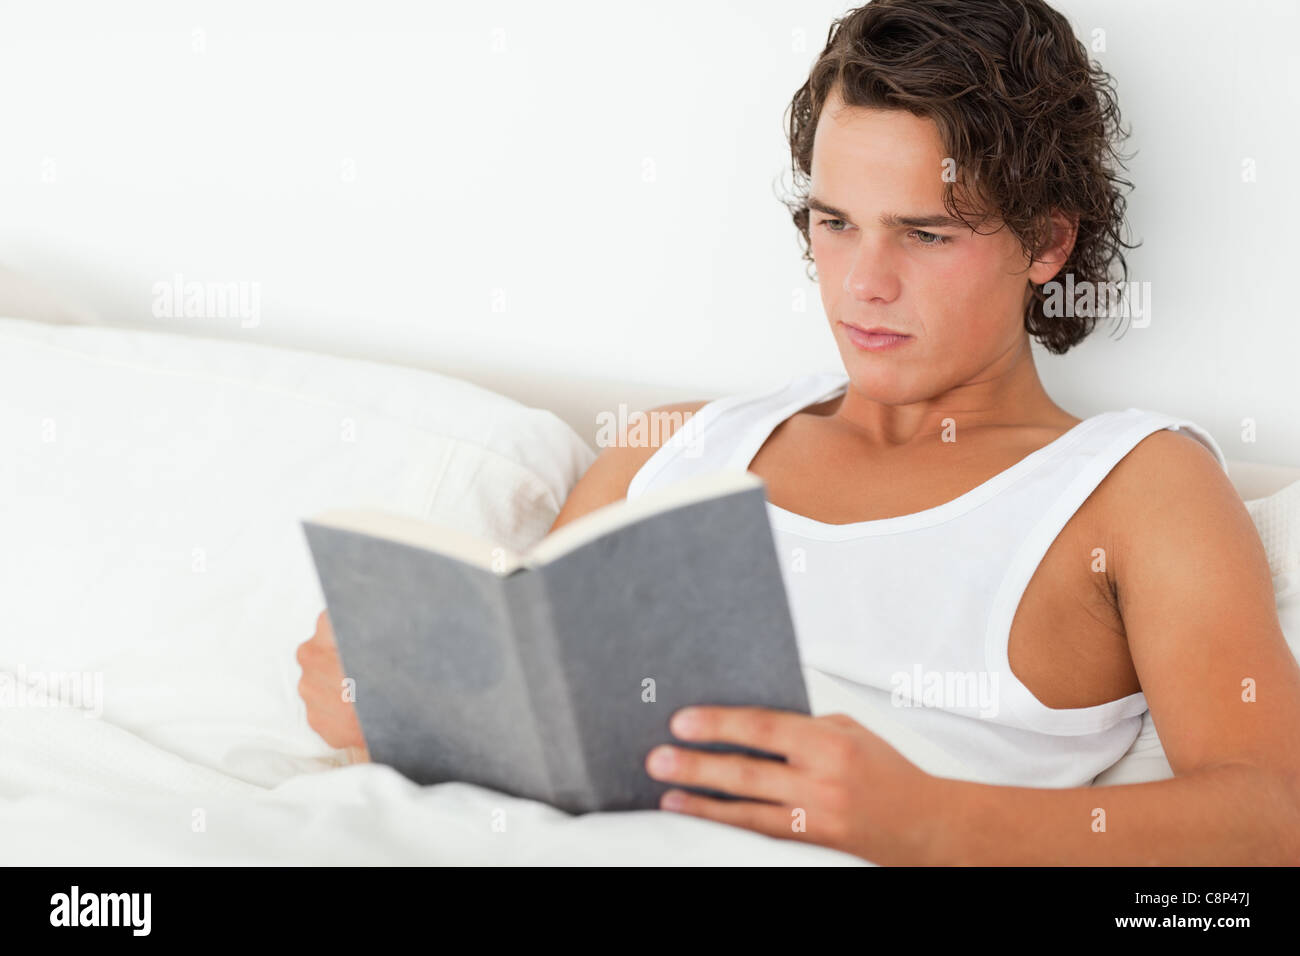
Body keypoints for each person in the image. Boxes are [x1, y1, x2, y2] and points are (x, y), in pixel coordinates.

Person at [297, 0, 1300, 864]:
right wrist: (398, 702)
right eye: (833, 222)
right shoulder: (670, 446)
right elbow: (539, 719)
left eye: (925, 232)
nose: (862, 282)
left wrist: (935, 821)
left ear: (1044, 239)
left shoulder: (1130, 485)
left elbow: (1276, 810)